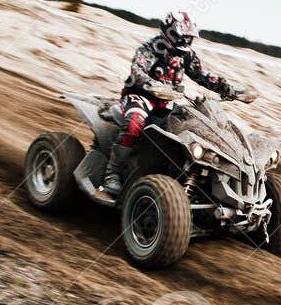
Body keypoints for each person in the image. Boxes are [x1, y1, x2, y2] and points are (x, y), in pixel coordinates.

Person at [103, 11, 249, 195]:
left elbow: (202, 76)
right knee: (134, 123)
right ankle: (112, 173)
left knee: (192, 129)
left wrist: (226, 88)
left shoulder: (186, 55)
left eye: (189, 37)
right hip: (140, 97)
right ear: (171, 33)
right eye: (184, 37)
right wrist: (152, 84)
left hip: (166, 103)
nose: (187, 41)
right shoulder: (151, 48)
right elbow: (137, 71)